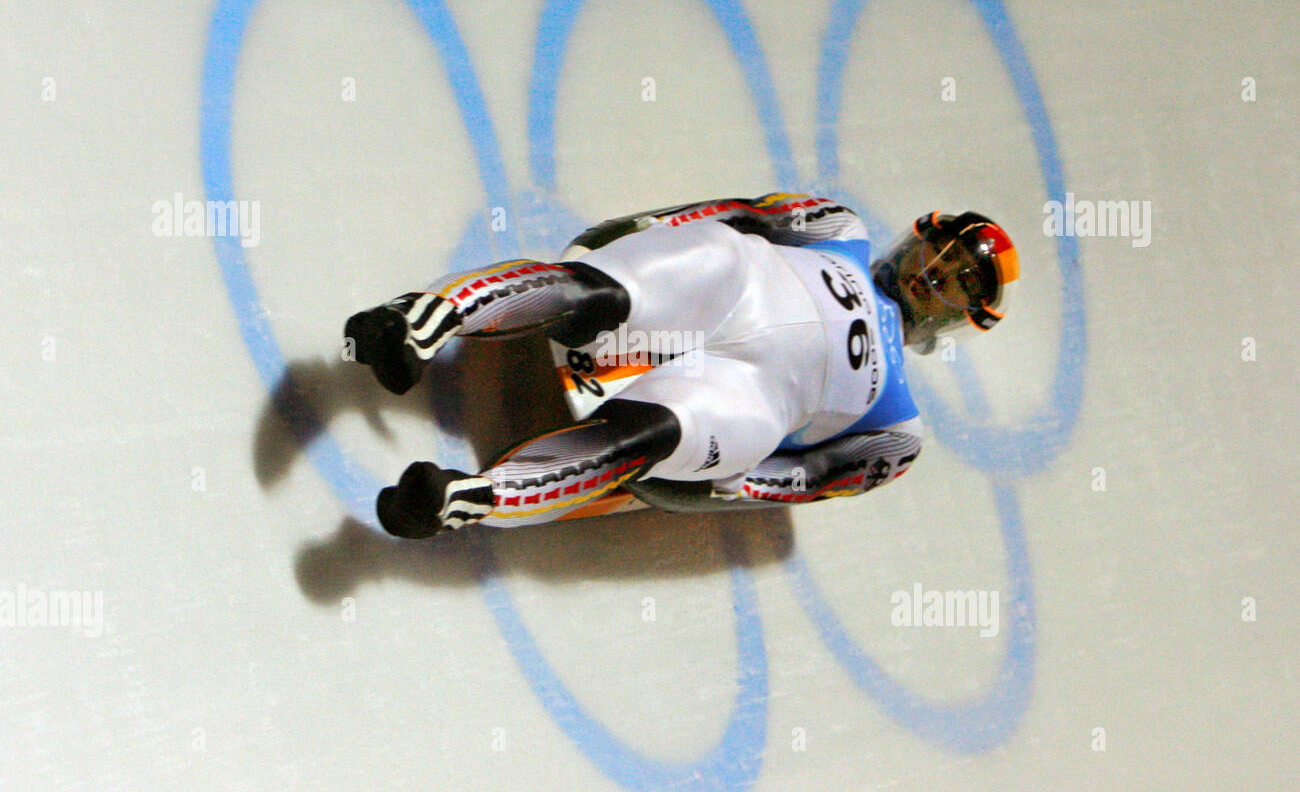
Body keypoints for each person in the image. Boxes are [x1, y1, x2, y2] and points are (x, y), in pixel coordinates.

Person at [344, 194, 1018, 538]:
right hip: (731, 284)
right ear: (919, 236)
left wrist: (726, 487)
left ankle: (464, 500)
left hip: (752, 398)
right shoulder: (837, 224)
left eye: (960, 280)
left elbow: (807, 476)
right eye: (943, 253)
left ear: (963, 313)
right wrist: (635, 240)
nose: (937, 274)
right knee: (601, 293)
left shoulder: (901, 435)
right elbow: (737, 215)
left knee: (644, 438)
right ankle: (418, 323)